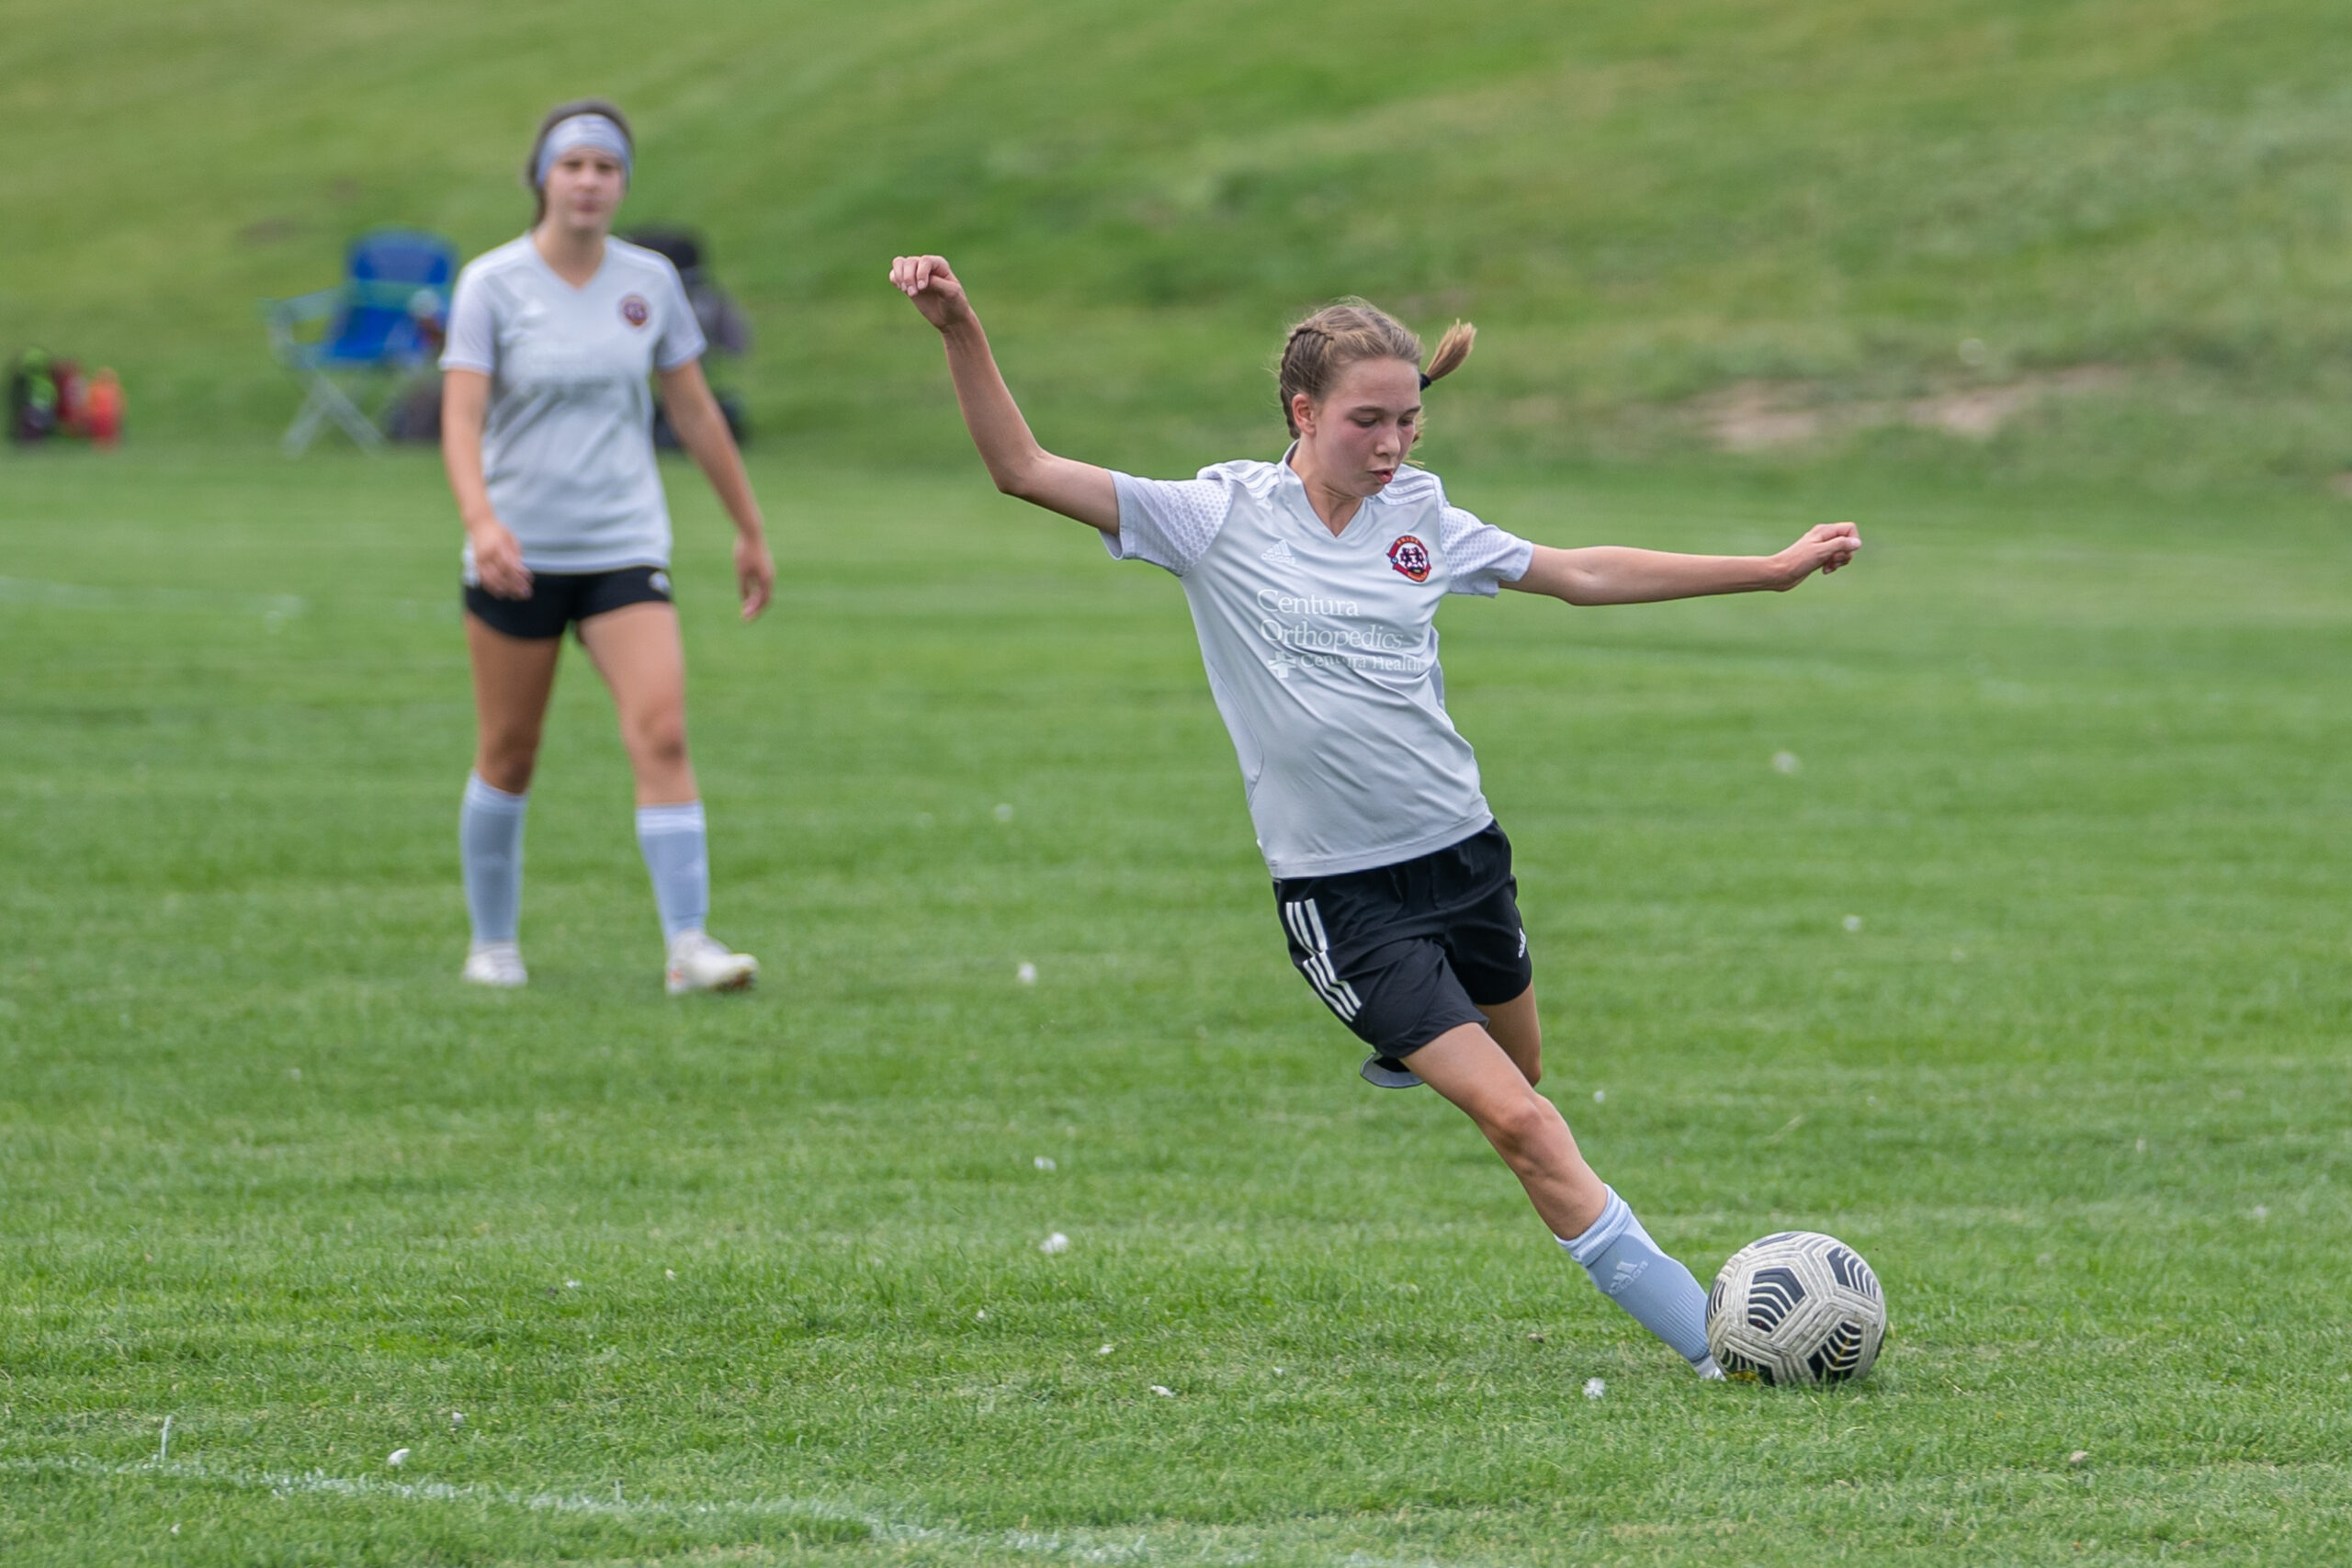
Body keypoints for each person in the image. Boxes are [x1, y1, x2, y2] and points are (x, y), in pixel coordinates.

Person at [888, 254, 1861, 1377]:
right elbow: (1021, 466)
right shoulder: (1215, 519)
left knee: (1526, 1072)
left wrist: (1767, 571)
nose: (1393, 445)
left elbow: (1581, 573)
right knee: (1525, 1128)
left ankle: (1419, 1044)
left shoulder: (1422, 518)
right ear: (1302, 413)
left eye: (1409, 419)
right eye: (1368, 422)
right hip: (1346, 899)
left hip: (1464, 858)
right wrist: (959, 324)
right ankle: (1716, 1348)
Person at [439, 101, 772, 994]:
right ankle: (493, 945)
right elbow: (461, 417)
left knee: (661, 731)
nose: (589, 181)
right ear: (542, 177)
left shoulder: (650, 283)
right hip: (519, 552)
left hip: (624, 544)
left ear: (623, 183)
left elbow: (693, 409)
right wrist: (481, 522)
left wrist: (747, 525)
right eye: (573, 165)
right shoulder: (491, 285)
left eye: (606, 168)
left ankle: (688, 947)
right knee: (509, 750)